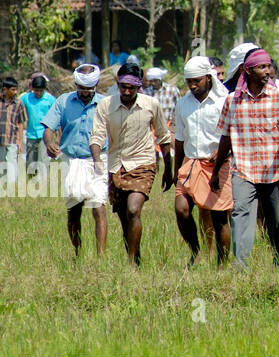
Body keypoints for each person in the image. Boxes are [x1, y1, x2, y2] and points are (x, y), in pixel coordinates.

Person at [210, 48, 279, 269]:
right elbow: (225, 137)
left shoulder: (278, 97)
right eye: (262, 67)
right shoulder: (233, 101)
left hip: (274, 169)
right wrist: (216, 170)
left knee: (276, 218)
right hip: (243, 168)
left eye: (269, 66)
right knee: (241, 213)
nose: (267, 71)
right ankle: (241, 265)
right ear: (248, 71)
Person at [88, 62, 173, 266]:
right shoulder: (106, 105)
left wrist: (169, 169)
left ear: (139, 86)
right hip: (116, 165)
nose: (127, 91)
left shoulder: (151, 105)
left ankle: (131, 263)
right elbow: (97, 136)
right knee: (125, 218)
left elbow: (163, 137)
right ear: (118, 84)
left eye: (131, 88)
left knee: (134, 210)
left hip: (143, 163)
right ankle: (136, 258)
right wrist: (97, 159)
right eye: (123, 86)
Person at [41, 65, 107, 256]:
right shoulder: (64, 101)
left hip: (98, 159)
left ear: (96, 85)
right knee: (74, 211)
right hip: (72, 161)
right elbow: (48, 129)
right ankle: (77, 252)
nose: (85, 92)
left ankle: (100, 258)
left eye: (90, 88)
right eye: (82, 88)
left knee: (98, 207)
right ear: (76, 84)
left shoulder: (105, 104)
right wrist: (49, 142)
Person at [172, 56, 232, 267]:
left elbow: (233, 134)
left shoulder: (224, 101)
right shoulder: (183, 104)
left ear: (208, 78)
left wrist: (222, 154)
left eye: (197, 80)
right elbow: (179, 139)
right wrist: (175, 169)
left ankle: (222, 264)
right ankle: (195, 252)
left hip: (219, 164)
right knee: (181, 209)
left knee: (219, 219)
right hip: (192, 164)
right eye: (189, 81)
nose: (193, 85)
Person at [20, 75, 55, 178]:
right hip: (31, 133)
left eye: (40, 90)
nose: (38, 93)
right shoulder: (27, 98)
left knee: (44, 157)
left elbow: (57, 115)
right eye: (36, 90)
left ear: (44, 89)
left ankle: (46, 179)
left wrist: (58, 135)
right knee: (30, 158)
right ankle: (31, 178)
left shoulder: (50, 99)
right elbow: (17, 104)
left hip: (45, 134)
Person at [0, 76, 25, 185]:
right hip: (1, 138)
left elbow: (20, 124)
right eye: (13, 89)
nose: (16, 92)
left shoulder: (18, 104)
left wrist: (20, 142)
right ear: (5, 89)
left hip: (12, 138)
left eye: (16, 89)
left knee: (11, 160)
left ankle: (11, 184)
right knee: (2, 160)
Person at [145, 67, 180, 136]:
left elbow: (180, 108)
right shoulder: (146, 92)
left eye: (155, 81)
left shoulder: (172, 90)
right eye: (151, 81)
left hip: (169, 126)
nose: (153, 83)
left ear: (160, 80)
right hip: (153, 128)